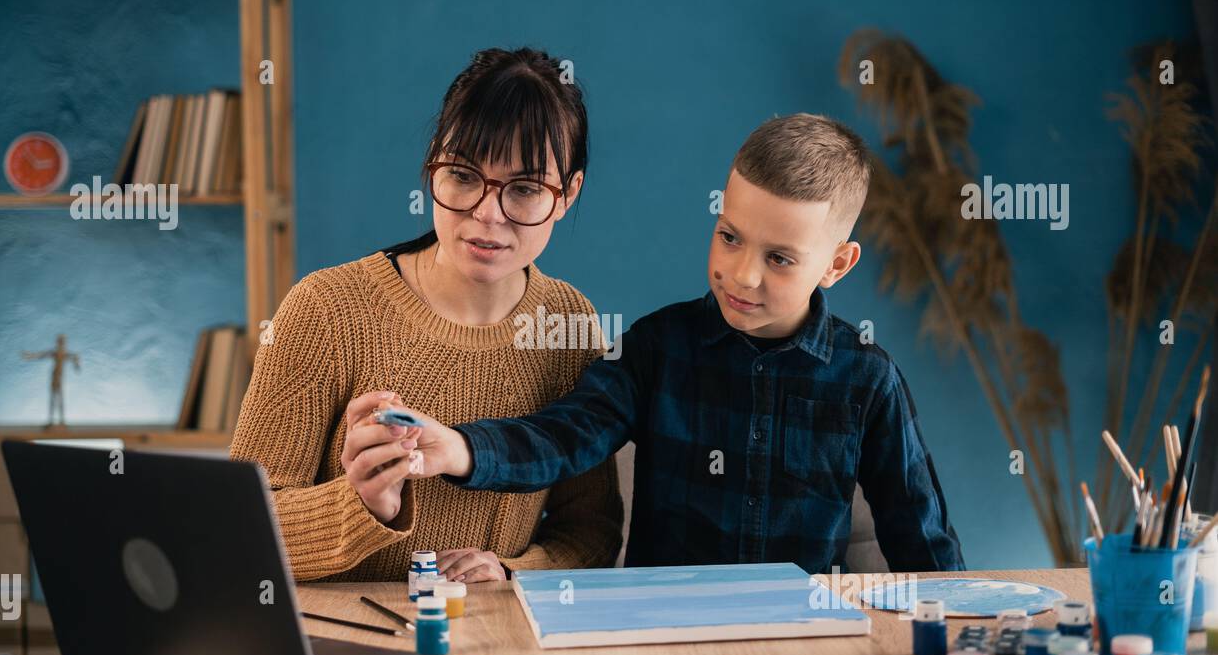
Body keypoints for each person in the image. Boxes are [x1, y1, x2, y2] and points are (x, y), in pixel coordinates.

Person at [401, 113, 965, 573]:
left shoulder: (868, 379)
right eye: (729, 238)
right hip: (661, 637)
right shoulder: (656, 347)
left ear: (836, 265)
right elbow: (566, 435)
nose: (742, 275)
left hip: (805, 642)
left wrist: (962, 638)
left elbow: (919, 532)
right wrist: (460, 449)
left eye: (780, 258)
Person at [229, 47, 623, 583]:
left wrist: (513, 571)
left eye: (526, 189)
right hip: (340, 649)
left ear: (568, 194)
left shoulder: (569, 327)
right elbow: (238, 533)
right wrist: (361, 505)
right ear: (430, 165)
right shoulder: (325, 310)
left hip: (495, 646)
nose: (486, 216)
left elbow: (591, 534)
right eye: (462, 176)